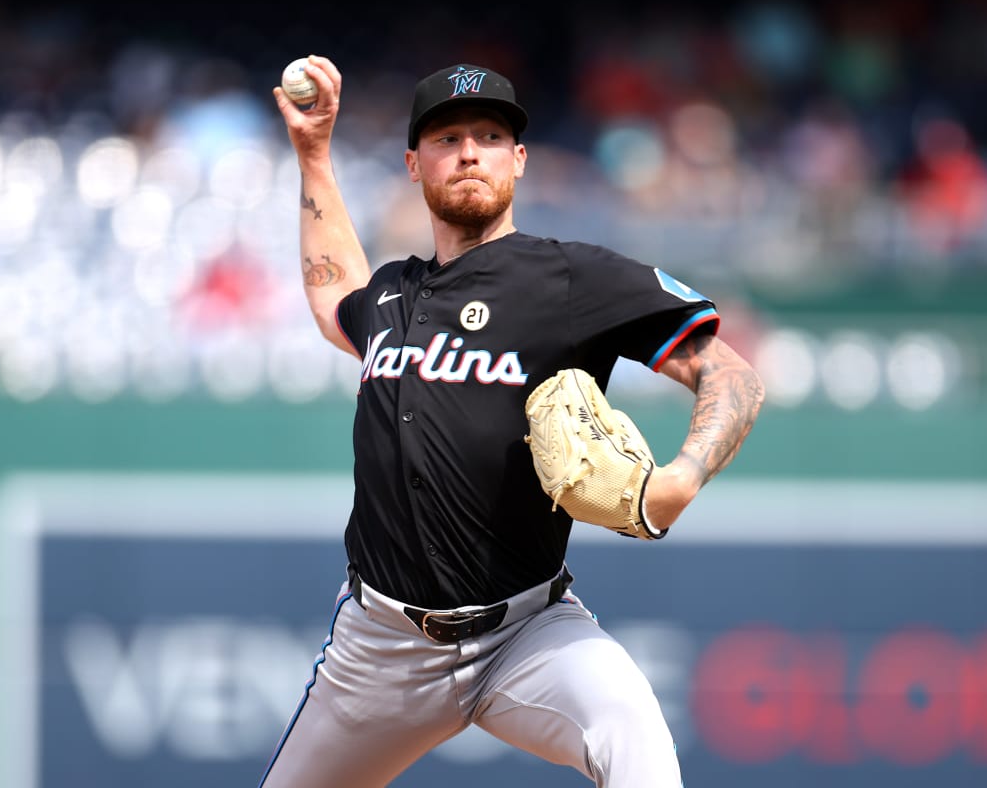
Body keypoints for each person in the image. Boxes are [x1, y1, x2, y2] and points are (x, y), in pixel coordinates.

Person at [260, 56, 765, 787]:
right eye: (447, 137)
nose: (469, 151)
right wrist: (312, 154)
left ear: (519, 160)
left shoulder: (570, 279)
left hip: (528, 633)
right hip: (380, 647)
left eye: (491, 135)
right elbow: (333, 291)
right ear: (413, 163)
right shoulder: (393, 295)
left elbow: (731, 374)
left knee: (634, 737)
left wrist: (682, 477)